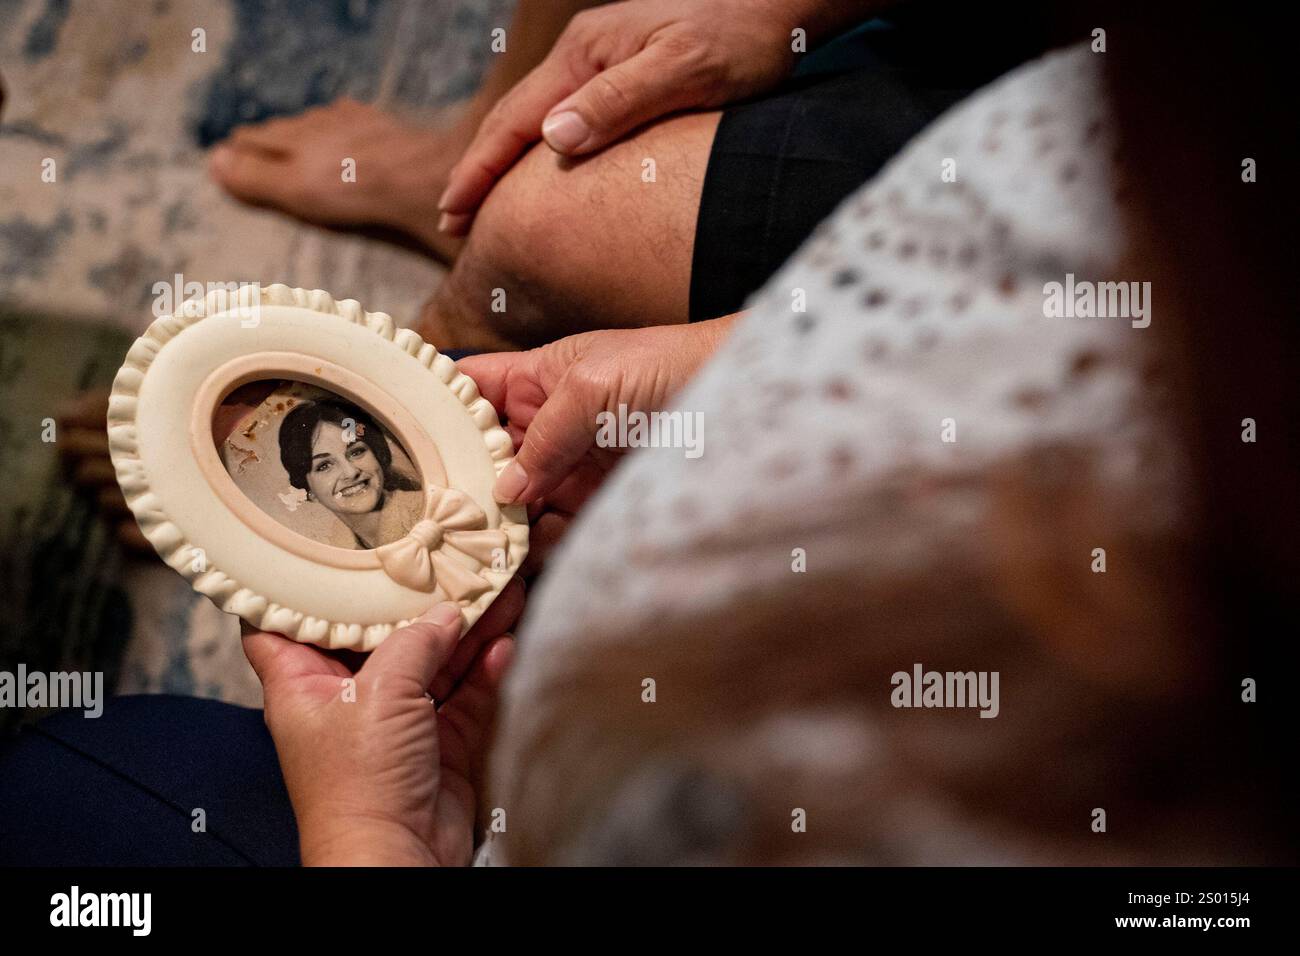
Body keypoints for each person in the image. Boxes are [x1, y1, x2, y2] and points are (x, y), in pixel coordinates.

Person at [276, 399, 423, 550]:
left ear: (377, 454)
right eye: (324, 466)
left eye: (356, 452)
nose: (351, 472)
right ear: (308, 490)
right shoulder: (351, 556)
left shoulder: (424, 512)